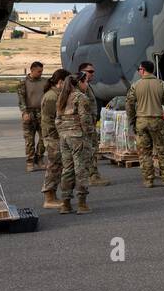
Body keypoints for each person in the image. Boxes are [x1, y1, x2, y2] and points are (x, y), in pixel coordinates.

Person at [125, 60, 164, 187]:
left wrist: (132, 120)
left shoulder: (135, 85)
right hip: (157, 120)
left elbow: (129, 105)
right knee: (162, 150)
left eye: (139, 70)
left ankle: (148, 180)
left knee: (144, 152)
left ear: (142, 69)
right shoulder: (162, 85)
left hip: (141, 121)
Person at [56, 71, 95, 213]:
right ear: (79, 83)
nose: (87, 84)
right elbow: (85, 119)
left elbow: (58, 120)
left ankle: (65, 203)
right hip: (78, 137)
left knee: (67, 170)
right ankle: (82, 204)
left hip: (64, 137)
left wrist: (63, 133)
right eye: (86, 82)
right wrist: (89, 135)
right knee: (81, 170)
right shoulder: (81, 97)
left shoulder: (62, 97)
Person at [39, 68, 70, 209]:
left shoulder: (56, 94)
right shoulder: (52, 96)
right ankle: (49, 198)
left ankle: (52, 195)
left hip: (56, 137)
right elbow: (49, 121)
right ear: (61, 82)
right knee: (54, 167)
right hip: (53, 138)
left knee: (57, 166)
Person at [78, 62, 111, 188]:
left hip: (89, 124)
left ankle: (93, 174)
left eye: (93, 72)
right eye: (90, 71)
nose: (92, 74)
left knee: (92, 150)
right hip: (86, 126)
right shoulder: (80, 88)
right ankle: (92, 176)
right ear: (82, 72)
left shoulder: (87, 86)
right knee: (90, 151)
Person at [17, 61, 46, 171]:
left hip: (42, 113)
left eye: (42, 71)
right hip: (29, 113)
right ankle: (30, 162)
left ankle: (39, 159)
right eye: (39, 71)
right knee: (29, 140)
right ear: (32, 70)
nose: (41, 73)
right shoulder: (23, 83)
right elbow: (21, 99)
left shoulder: (45, 82)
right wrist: (24, 112)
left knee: (44, 137)